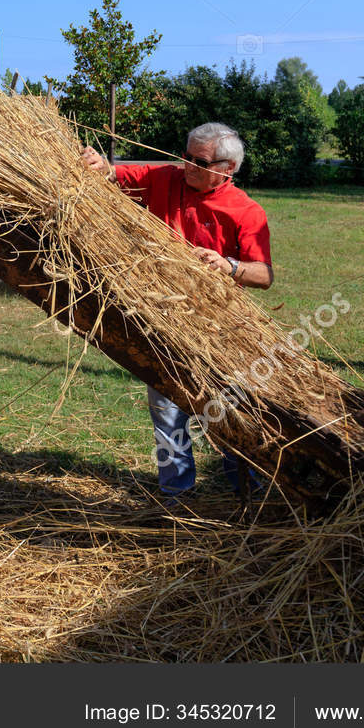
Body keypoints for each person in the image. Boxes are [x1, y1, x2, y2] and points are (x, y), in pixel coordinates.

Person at [81, 122, 273, 497]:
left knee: (231, 411)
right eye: (184, 155)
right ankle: (176, 495)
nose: (186, 164)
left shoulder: (246, 211)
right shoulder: (164, 179)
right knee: (168, 410)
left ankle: (249, 490)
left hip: (220, 327)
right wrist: (97, 164)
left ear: (227, 168)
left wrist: (229, 266)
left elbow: (264, 274)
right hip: (163, 319)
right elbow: (113, 174)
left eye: (198, 161)